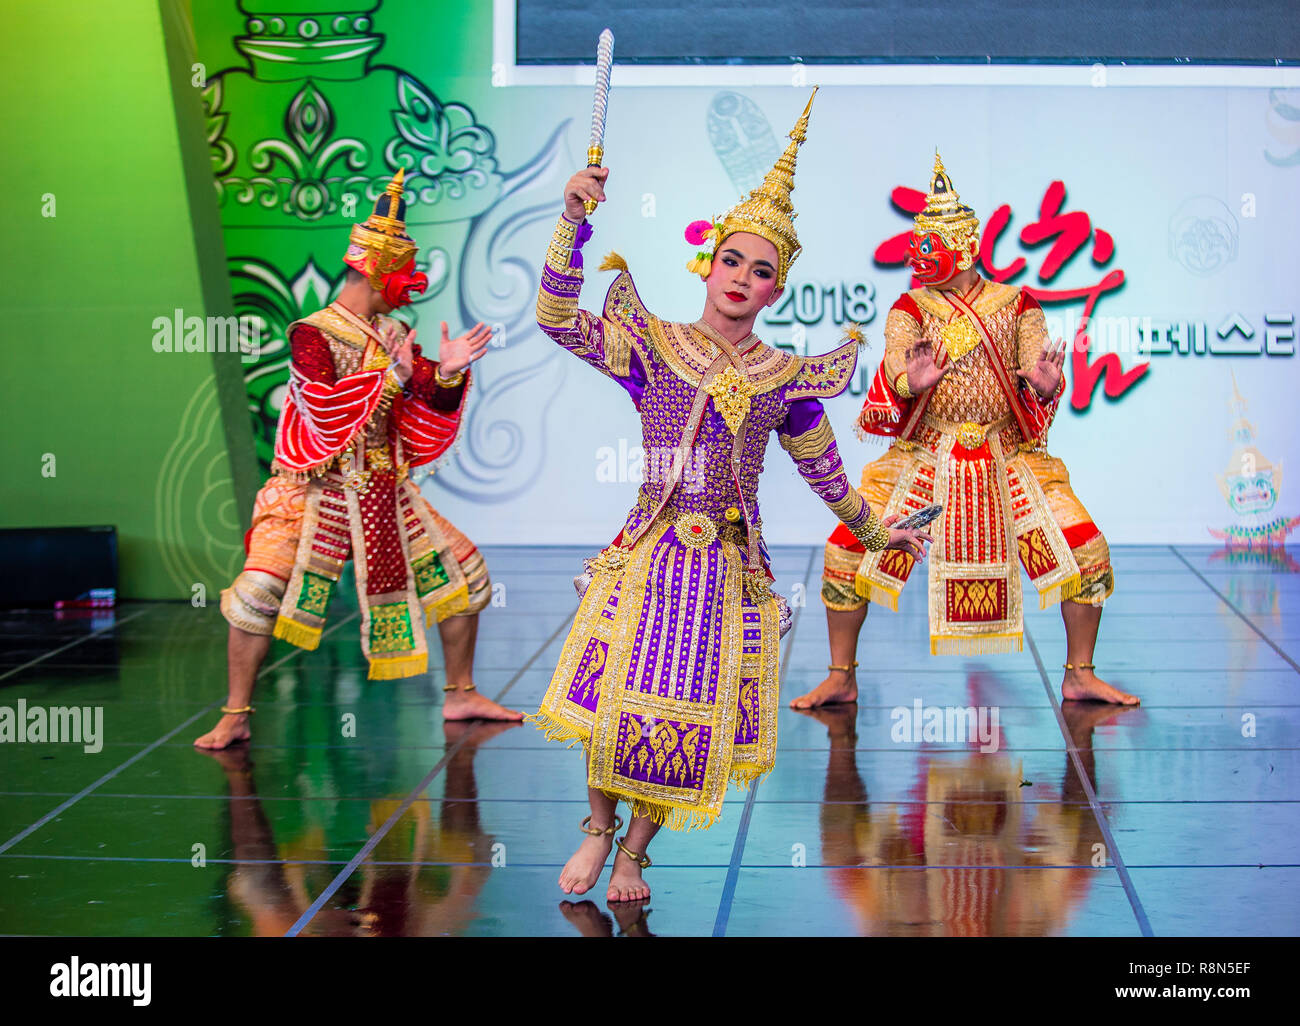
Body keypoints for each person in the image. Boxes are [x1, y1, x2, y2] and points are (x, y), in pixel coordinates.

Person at [529, 91, 932, 902]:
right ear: (707, 262)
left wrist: (879, 531)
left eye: (763, 271)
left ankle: (637, 853)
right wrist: (573, 221)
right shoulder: (654, 344)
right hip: (648, 548)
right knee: (613, 698)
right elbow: (555, 317)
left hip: (729, 565)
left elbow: (826, 476)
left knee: (691, 716)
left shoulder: (788, 379)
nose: (744, 278)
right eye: (734, 261)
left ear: (776, 289)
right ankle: (598, 829)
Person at [793, 154, 1137, 711]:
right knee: (845, 552)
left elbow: (1035, 375)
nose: (917, 255)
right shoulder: (909, 307)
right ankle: (841, 675)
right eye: (916, 244)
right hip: (927, 461)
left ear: (965, 245)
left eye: (930, 245)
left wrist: (1049, 385)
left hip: (1006, 459)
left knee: (1086, 547)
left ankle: (1079, 673)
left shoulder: (1019, 303)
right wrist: (912, 379)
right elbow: (895, 373)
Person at [196, 169, 521, 750]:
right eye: (405, 273)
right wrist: (391, 378)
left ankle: (461, 695)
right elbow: (323, 408)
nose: (413, 283)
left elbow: (423, 393)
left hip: (384, 491)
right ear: (377, 271)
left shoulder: (392, 329)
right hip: (311, 489)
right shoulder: (312, 335)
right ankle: (236, 712)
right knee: (254, 594)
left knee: (469, 577)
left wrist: (443, 372)